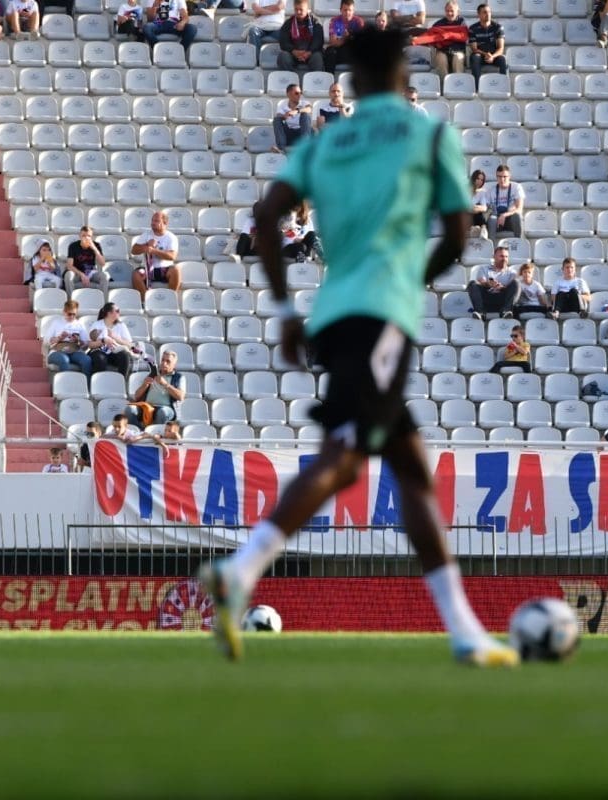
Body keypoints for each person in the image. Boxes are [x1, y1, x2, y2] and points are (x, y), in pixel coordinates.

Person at [199, 27, 518, 667]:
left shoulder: (328, 141)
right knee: (345, 456)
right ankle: (240, 571)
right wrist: (411, 277)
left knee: (412, 472)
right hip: (382, 316)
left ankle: (464, 633)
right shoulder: (429, 135)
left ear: (351, 83)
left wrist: (287, 309)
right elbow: (460, 235)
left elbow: (267, 217)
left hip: (335, 312)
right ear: (405, 76)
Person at [125, 350, 185, 426]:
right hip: (147, 406)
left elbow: (181, 396)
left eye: (168, 361)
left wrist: (165, 384)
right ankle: (140, 431)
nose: (164, 363)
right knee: (129, 409)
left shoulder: (179, 377)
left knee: (162, 412)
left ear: (174, 365)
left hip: (166, 408)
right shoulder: (153, 374)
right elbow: (137, 396)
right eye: (162, 360)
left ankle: (155, 432)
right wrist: (145, 385)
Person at [131, 210, 180, 297]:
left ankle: (172, 298)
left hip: (165, 269)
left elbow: (172, 256)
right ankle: (144, 300)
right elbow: (134, 250)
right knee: (136, 274)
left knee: (176, 270)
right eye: (152, 220)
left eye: (156, 221)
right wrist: (146, 246)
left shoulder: (171, 237)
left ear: (165, 223)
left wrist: (154, 251)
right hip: (147, 269)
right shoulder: (146, 234)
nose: (153, 223)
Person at [467, 245, 519, 320]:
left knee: (516, 283)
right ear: (494, 257)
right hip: (487, 298)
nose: (504, 259)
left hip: (503, 300)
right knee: (473, 283)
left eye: (506, 256)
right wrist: (489, 284)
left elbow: (511, 288)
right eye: (501, 256)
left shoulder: (512, 272)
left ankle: (506, 311)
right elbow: (481, 281)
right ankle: (480, 312)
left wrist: (501, 287)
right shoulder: (484, 269)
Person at [88, 301, 137, 376]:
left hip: (115, 351)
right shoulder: (97, 324)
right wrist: (103, 341)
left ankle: (122, 382)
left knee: (124, 356)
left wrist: (115, 337)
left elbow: (130, 345)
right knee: (100, 359)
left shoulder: (121, 325)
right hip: (100, 351)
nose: (119, 313)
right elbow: (90, 345)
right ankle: (98, 383)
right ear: (109, 313)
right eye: (117, 311)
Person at [44, 299, 92, 375]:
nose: (72, 316)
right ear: (64, 312)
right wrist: (59, 338)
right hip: (57, 351)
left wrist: (78, 340)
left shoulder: (80, 324)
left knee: (87, 360)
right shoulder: (56, 323)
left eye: (74, 314)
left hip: (75, 351)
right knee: (64, 359)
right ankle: (64, 385)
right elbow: (46, 341)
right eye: (70, 314)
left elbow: (86, 346)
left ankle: (87, 385)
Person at [278, 0, 325, 73]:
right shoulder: (288, 23)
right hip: (293, 54)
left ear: (307, 9)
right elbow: (283, 41)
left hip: (310, 53)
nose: (298, 12)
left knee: (318, 57)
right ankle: (291, 81)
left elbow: (318, 41)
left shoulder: (316, 22)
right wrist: (294, 51)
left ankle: (314, 81)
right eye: (296, 9)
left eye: (301, 10)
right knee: (283, 56)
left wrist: (309, 52)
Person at [467, 3, 507, 89]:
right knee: (475, 57)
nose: (488, 14)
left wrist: (492, 56)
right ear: (479, 14)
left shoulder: (498, 27)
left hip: (494, 55)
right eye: (484, 12)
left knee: (503, 59)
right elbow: (474, 48)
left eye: (489, 12)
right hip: (480, 54)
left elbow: (501, 48)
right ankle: (477, 88)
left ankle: (504, 87)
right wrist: (485, 54)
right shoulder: (472, 29)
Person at [429, 0, 469, 78]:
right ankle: (445, 85)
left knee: (458, 58)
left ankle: (457, 84)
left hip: (458, 51)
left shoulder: (462, 22)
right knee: (441, 59)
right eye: (447, 11)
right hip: (442, 51)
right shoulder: (438, 24)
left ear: (458, 12)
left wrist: (448, 35)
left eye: (452, 11)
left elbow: (464, 37)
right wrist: (437, 44)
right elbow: (432, 38)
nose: (449, 13)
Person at [64, 226, 109, 295]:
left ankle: (104, 303)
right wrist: (82, 275)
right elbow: (69, 266)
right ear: (80, 236)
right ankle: (71, 302)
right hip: (77, 273)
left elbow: (102, 263)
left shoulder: (96, 245)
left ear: (92, 236)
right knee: (68, 275)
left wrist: (94, 248)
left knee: (105, 275)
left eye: (89, 236)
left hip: (91, 272)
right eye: (84, 235)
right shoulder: (73, 246)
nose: (86, 238)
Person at [325, 0, 365, 72]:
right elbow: (333, 42)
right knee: (330, 51)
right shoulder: (334, 21)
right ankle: (330, 79)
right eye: (345, 10)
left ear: (353, 11)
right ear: (340, 10)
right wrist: (344, 38)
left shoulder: (359, 21)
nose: (347, 13)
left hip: (353, 52)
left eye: (350, 10)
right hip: (340, 51)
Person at [273, 84, 314, 153]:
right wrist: (284, 116)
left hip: (302, 133)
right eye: (296, 93)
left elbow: (309, 109)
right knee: (277, 120)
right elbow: (279, 115)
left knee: (305, 115)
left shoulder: (304, 103)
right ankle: (281, 148)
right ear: (288, 94)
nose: (299, 95)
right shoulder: (282, 104)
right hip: (290, 133)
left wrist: (297, 111)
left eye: (300, 93)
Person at [486, 164, 524, 240]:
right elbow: (486, 208)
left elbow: (519, 209)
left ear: (509, 176)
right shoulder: (491, 190)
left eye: (504, 177)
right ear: (496, 177)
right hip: (496, 220)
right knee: (492, 219)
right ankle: (491, 248)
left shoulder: (516, 187)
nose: (502, 179)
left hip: (510, 219)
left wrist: (504, 215)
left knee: (517, 216)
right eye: (499, 176)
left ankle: (519, 243)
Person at [468, 168, 489, 236]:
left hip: (475, 214)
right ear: (473, 178)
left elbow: (484, 208)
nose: (479, 181)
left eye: (482, 180)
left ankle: (483, 229)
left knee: (479, 213)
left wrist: (475, 207)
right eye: (478, 179)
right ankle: (475, 228)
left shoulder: (482, 192)